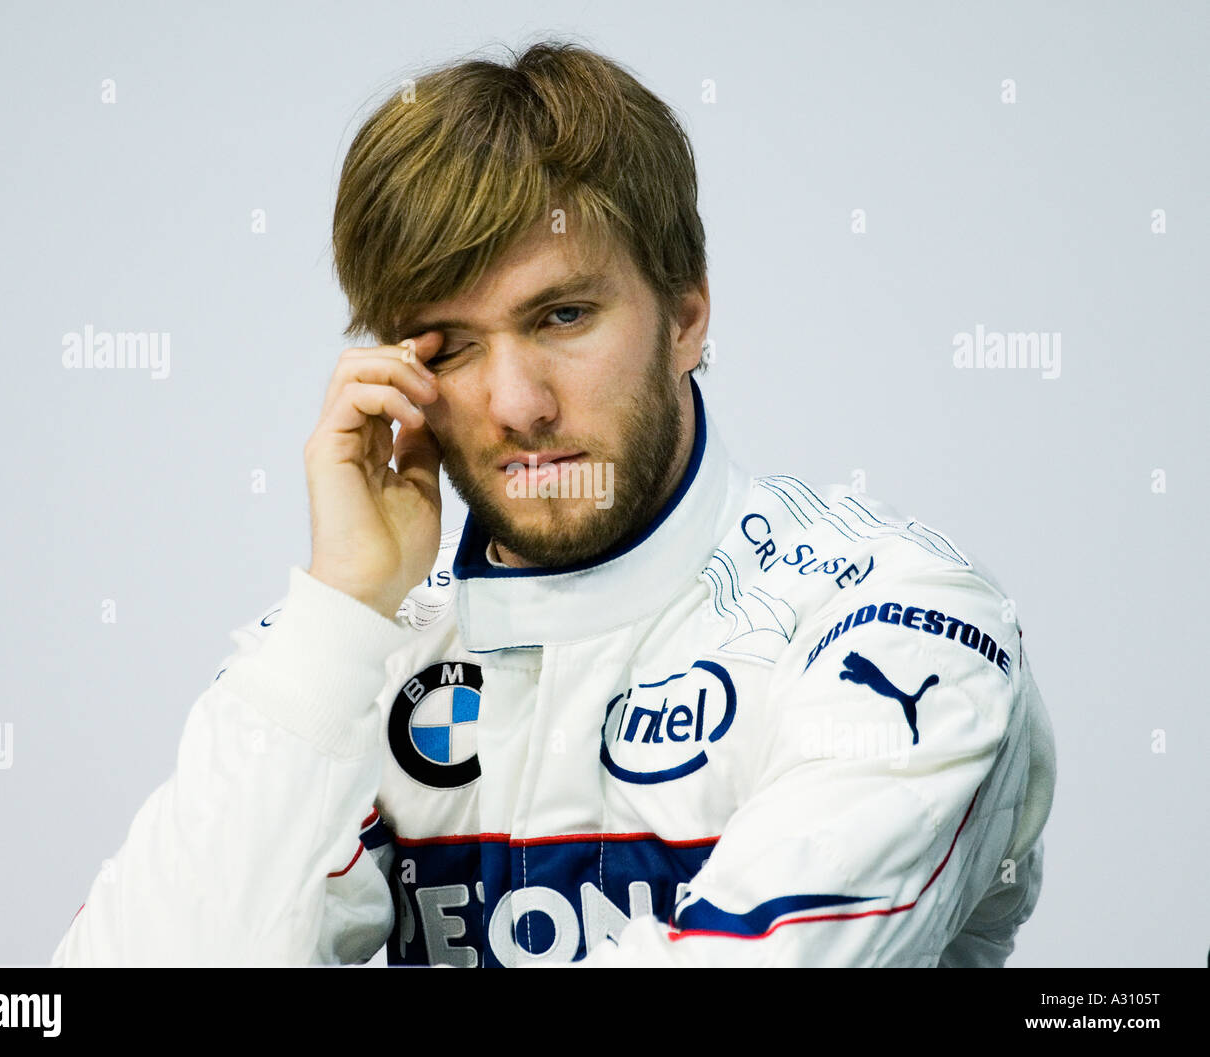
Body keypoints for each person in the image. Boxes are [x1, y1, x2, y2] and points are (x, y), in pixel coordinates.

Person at [51, 41, 1056, 967]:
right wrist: (340, 608)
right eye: (453, 343)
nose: (519, 406)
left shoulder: (898, 626)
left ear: (685, 316)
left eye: (563, 315)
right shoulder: (361, 647)